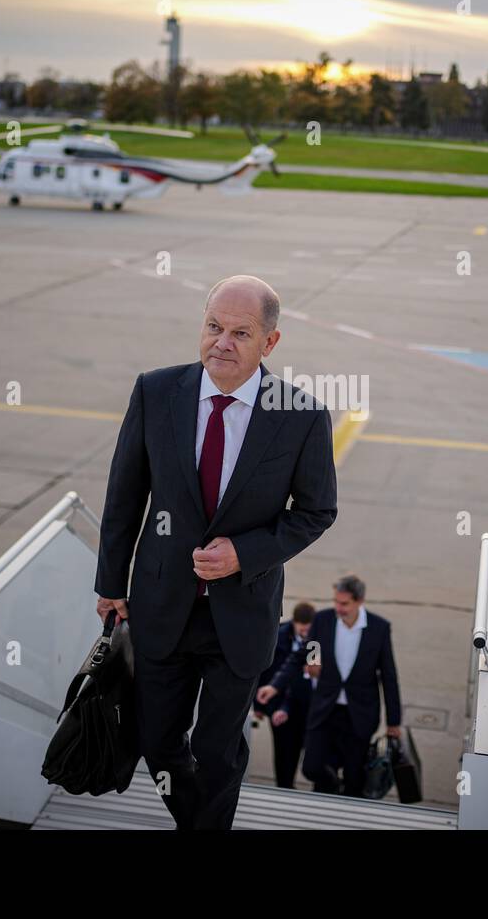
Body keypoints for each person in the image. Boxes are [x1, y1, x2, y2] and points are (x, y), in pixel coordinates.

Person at [94, 275, 338, 830]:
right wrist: (110, 583)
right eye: (212, 327)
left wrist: (245, 553)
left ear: (269, 343)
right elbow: (124, 495)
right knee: (157, 744)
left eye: (240, 332)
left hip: (241, 613)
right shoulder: (156, 393)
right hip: (161, 604)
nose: (221, 343)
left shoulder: (301, 416)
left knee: (218, 754)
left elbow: (316, 511)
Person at [259, 573, 401, 798]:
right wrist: (275, 686)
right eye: (336, 601)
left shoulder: (379, 628)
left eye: (344, 603)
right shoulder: (323, 620)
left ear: (359, 601)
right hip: (325, 709)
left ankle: (343, 800)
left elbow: (389, 675)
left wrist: (394, 721)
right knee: (312, 767)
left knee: (355, 776)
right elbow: (304, 654)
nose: (338, 608)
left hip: (359, 713)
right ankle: (333, 785)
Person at [253, 602, 315, 789]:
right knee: (284, 751)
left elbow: (314, 673)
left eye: (308, 629)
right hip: (278, 705)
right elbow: (263, 672)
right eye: (302, 629)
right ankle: (285, 787)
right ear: (294, 623)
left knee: (311, 753)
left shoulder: (316, 640)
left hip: (307, 705)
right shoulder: (278, 636)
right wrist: (259, 707)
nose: (305, 633)